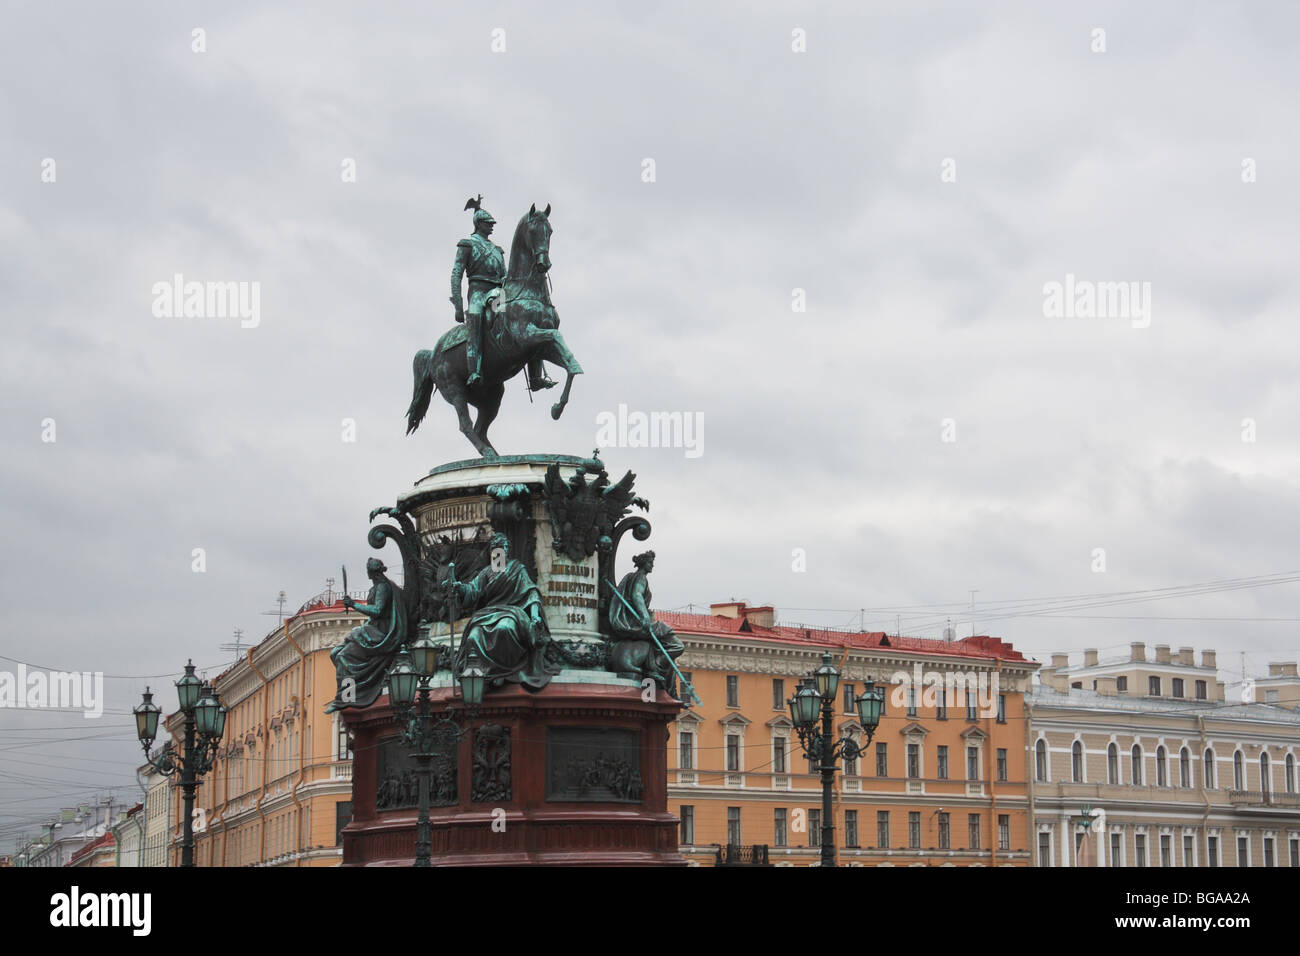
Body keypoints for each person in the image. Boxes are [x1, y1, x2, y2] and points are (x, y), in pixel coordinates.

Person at [450, 196, 554, 390]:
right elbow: (457, 274)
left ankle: (535, 377)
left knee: (522, 319)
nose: (491, 227)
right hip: (478, 292)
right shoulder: (467, 245)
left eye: (492, 224)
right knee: (476, 317)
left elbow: (504, 275)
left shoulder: (497, 250)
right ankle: (475, 369)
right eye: (488, 224)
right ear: (478, 224)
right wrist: (458, 304)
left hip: (498, 292)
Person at [451, 533, 560, 690]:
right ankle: (485, 674)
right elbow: (473, 590)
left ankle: (504, 673)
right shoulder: (487, 572)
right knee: (473, 637)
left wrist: (535, 615)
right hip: (489, 613)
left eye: (501, 550)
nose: (497, 553)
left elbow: (531, 592)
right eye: (494, 550)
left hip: (513, 611)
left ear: (507, 551)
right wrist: (459, 587)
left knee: (505, 628)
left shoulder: (517, 569)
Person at [326, 557, 408, 712]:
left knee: (343, 657)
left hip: (381, 633)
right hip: (372, 628)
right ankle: (348, 693)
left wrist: (353, 605)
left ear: (372, 571)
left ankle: (346, 698)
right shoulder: (375, 587)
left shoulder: (383, 587)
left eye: (368, 570)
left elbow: (377, 611)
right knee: (335, 653)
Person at [608, 550, 684, 689]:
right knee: (678, 645)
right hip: (638, 623)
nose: (652, 566)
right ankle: (656, 666)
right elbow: (637, 595)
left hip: (631, 622)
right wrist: (644, 618)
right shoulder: (641, 578)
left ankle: (653, 662)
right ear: (643, 564)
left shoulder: (631, 577)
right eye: (650, 563)